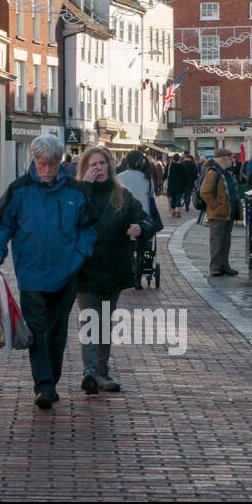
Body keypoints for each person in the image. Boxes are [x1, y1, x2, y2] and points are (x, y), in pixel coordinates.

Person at [0, 134, 97, 411]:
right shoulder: (19, 190)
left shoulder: (76, 191)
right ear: (34, 161)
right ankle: (44, 387)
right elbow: (0, 223)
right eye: (42, 163)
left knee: (57, 333)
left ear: (61, 162)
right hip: (32, 275)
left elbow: (88, 228)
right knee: (37, 331)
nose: (47, 170)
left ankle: (52, 381)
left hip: (66, 273)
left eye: (52, 163)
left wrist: (80, 254)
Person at [76, 147, 157, 394]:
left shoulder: (122, 194)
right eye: (93, 164)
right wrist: (86, 187)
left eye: (102, 163)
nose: (98, 168)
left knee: (104, 323)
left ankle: (101, 372)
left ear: (110, 167)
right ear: (84, 168)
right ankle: (90, 373)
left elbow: (148, 220)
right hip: (85, 269)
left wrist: (140, 227)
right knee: (90, 321)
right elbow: (69, 221)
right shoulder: (76, 195)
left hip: (113, 268)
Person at [199, 148, 242, 277]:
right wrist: (216, 207)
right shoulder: (213, 173)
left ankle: (224, 265)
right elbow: (204, 192)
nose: (232, 160)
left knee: (225, 241)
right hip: (218, 214)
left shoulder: (227, 172)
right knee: (217, 241)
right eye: (230, 157)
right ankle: (215, 267)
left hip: (228, 213)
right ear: (224, 158)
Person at [118, 150, 163, 233]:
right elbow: (151, 196)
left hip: (124, 216)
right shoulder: (147, 178)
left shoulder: (119, 178)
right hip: (144, 217)